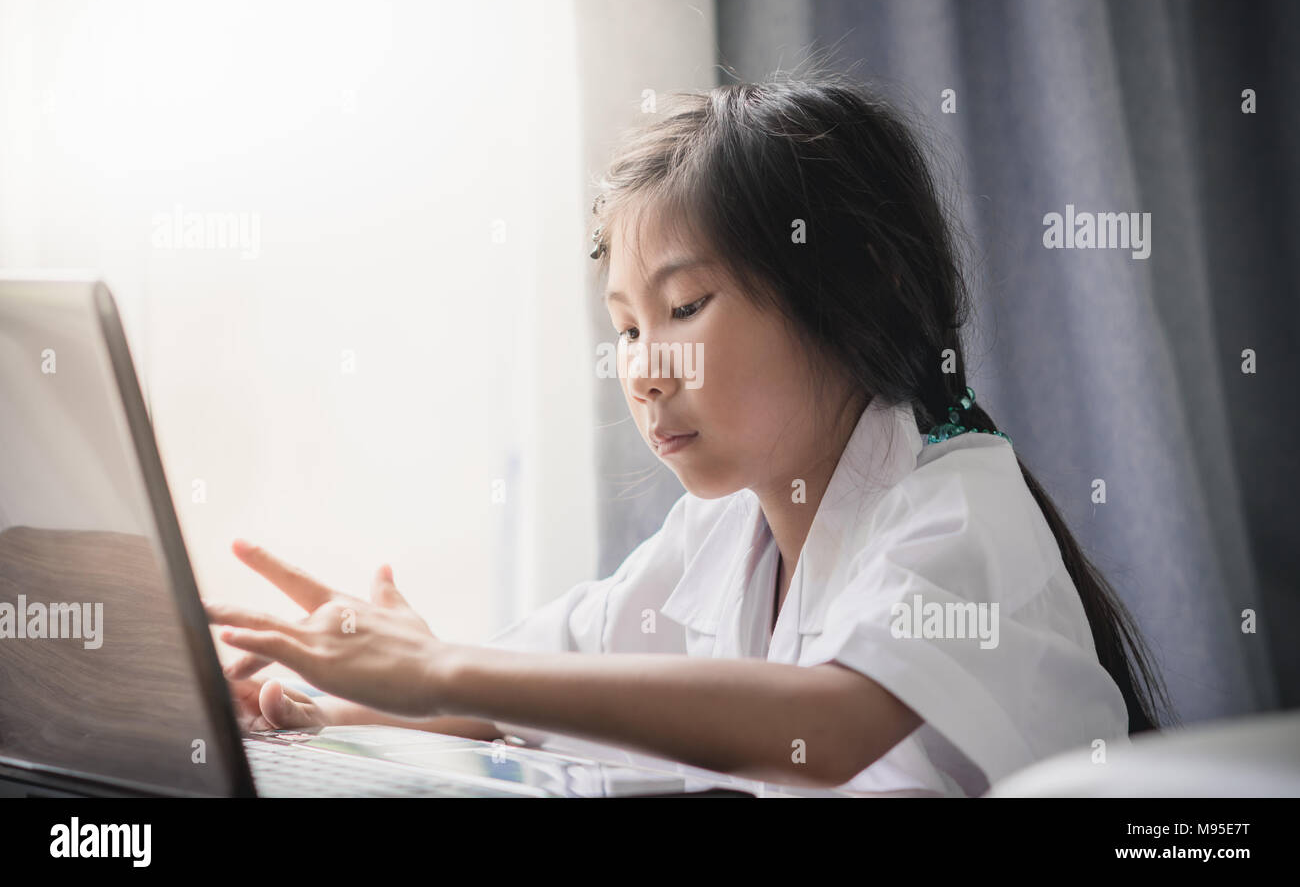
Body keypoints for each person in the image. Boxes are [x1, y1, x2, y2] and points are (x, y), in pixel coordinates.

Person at [206, 69, 1173, 796]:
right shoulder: (721, 535)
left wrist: (438, 669)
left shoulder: (959, 512)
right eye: (625, 327)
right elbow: (546, 681)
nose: (641, 366)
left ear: (855, 287)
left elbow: (831, 725)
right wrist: (315, 707)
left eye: (684, 307)